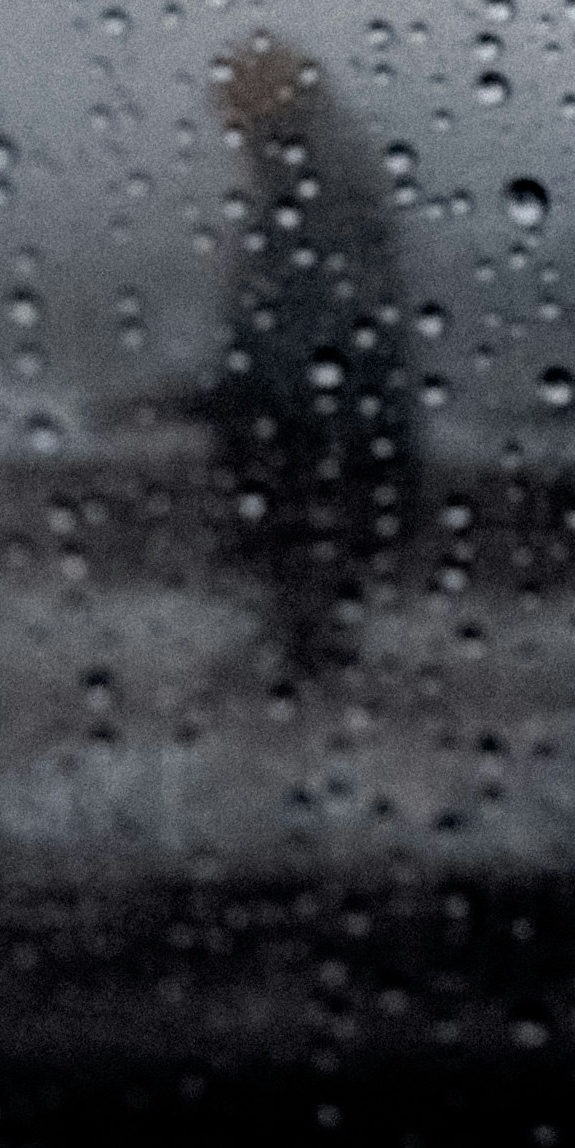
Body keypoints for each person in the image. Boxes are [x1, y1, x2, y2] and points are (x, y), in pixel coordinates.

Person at [194, 37, 412, 681]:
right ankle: (308, 638)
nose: (237, 141)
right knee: (305, 517)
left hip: (317, 391)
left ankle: (310, 644)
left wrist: (254, 383)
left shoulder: (313, 177)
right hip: (321, 384)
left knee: (304, 510)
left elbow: (311, 299)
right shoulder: (314, 167)